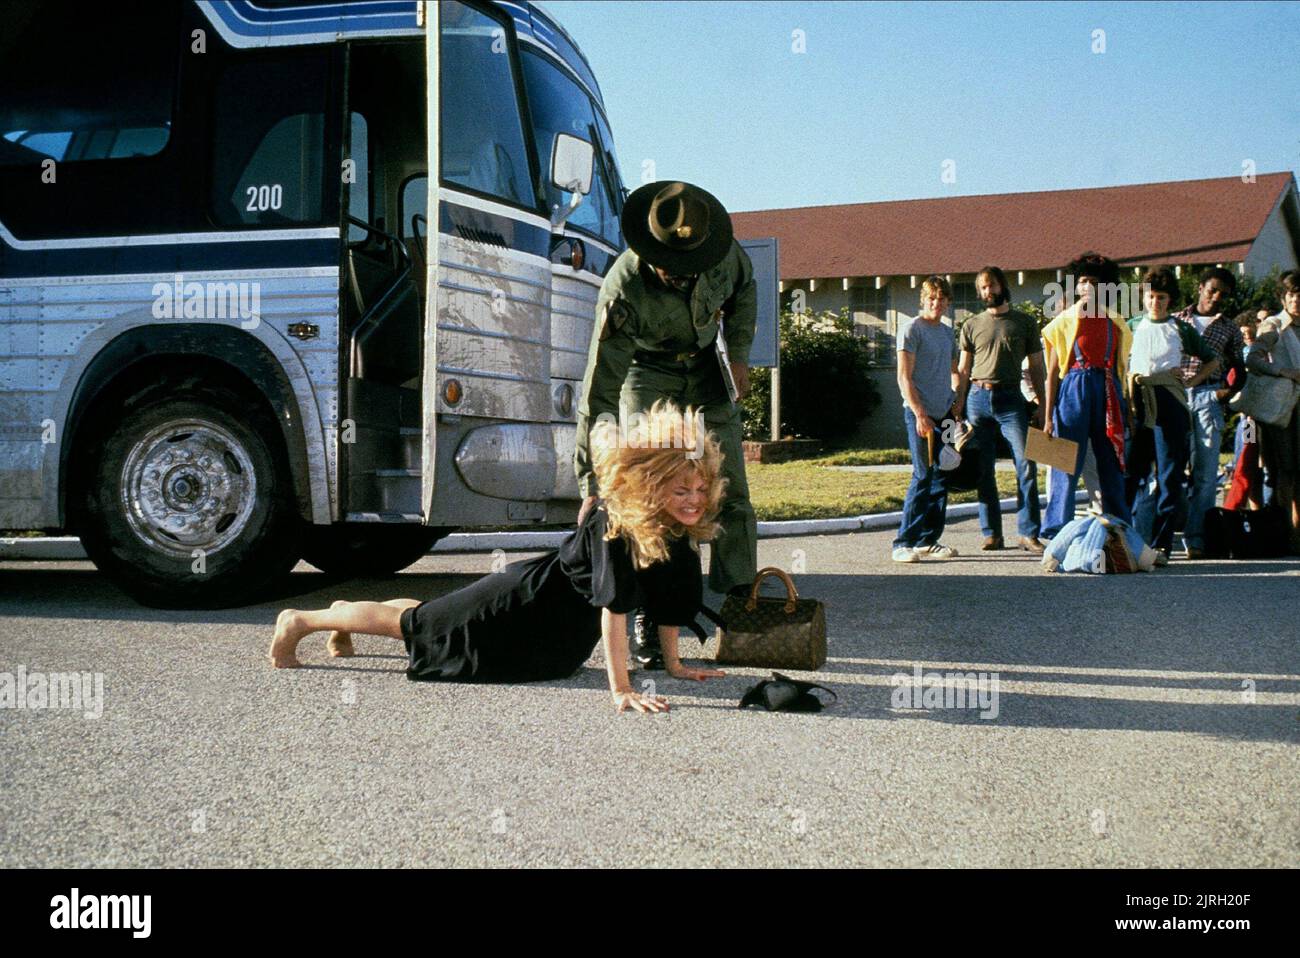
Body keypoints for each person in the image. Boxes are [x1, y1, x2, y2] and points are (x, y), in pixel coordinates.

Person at [268, 402, 727, 714]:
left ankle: (342, 619)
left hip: (552, 626)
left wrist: (674, 665)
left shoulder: (673, 526)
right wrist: (622, 690)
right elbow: (614, 610)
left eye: (701, 488)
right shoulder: (616, 522)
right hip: (521, 604)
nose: (694, 500)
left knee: (431, 619)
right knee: (423, 627)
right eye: (681, 489)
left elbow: (670, 600)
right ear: (649, 483)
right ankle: (303, 622)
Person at [573, 181, 758, 669]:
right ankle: (649, 617)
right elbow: (599, 395)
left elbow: (745, 290)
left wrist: (738, 353)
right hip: (646, 371)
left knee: (727, 491)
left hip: (705, 368)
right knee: (653, 498)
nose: (683, 275)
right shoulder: (624, 287)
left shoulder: (723, 253)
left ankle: (741, 605)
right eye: (672, 266)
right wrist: (593, 480)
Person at [1124, 267, 1220, 563]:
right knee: (1131, 473)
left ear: (1170, 299)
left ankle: (1162, 544)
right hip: (1138, 400)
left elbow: (1212, 360)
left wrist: (1190, 381)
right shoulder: (1132, 324)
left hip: (1170, 401)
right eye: (1150, 296)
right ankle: (1123, 538)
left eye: (1161, 297)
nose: (1155, 302)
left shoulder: (1181, 328)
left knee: (1169, 475)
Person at [1040, 252, 1133, 539]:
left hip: (1106, 387)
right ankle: (1056, 529)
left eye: (1094, 282)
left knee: (1111, 461)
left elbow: (1121, 370)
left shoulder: (1116, 322)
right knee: (1064, 461)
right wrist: (1048, 419)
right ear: (1075, 286)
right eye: (1082, 281)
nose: (1088, 287)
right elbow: (1052, 373)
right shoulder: (1062, 322)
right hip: (1073, 388)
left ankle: (1119, 526)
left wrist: (1126, 409)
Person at [954, 265, 1046, 552]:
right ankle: (992, 533)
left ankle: (1028, 533)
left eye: (991, 285)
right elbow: (964, 368)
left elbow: (1037, 366)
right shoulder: (970, 325)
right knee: (984, 468)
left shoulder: (1025, 323)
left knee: (1026, 464)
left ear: (1002, 286)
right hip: (978, 399)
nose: (987, 291)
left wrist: (1044, 405)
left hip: (1010, 400)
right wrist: (958, 403)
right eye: (982, 287)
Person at [1170, 267, 1246, 558]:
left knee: (1205, 472)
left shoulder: (1229, 328)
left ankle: (1197, 537)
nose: (1216, 297)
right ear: (1200, 287)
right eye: (1212, 290)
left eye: (1223, 294)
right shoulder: (1176, 319)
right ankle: (1164, 531)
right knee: (1171, 468)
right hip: (1176, 394)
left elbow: (1239, 368)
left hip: (1208, 397)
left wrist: (1225, 394)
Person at [893, 275, 962, 562]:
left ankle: (928, 539)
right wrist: (920, 413)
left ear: (947, 302)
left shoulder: (947, 333)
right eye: (932, 298)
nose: (937, 303)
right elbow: (903, 377)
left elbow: (955, 370)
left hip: (943, 412)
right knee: (922, 474)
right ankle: (903, 542)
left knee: (941, 477)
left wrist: (957, 400)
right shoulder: (911, 330)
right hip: (920, 414)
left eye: (942, 299)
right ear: (923, 300)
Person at [1246, 271, 1300, 552]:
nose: (1296, 300)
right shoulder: (1274, 325)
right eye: (1292, 295)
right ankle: (1287, 534)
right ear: (1284, 297)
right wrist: (1282, 371)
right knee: (1285, 469)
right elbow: (1253, 359)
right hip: (1283, 407)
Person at [1223, 310, 1263, 510]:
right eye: (1243, 335)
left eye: (1251, 334)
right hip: (1247, 418)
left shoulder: (1261, 354)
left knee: (1249, 463)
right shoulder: (1238, 356)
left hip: (1255, 418)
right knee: (1245, 461)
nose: (1247, 339)